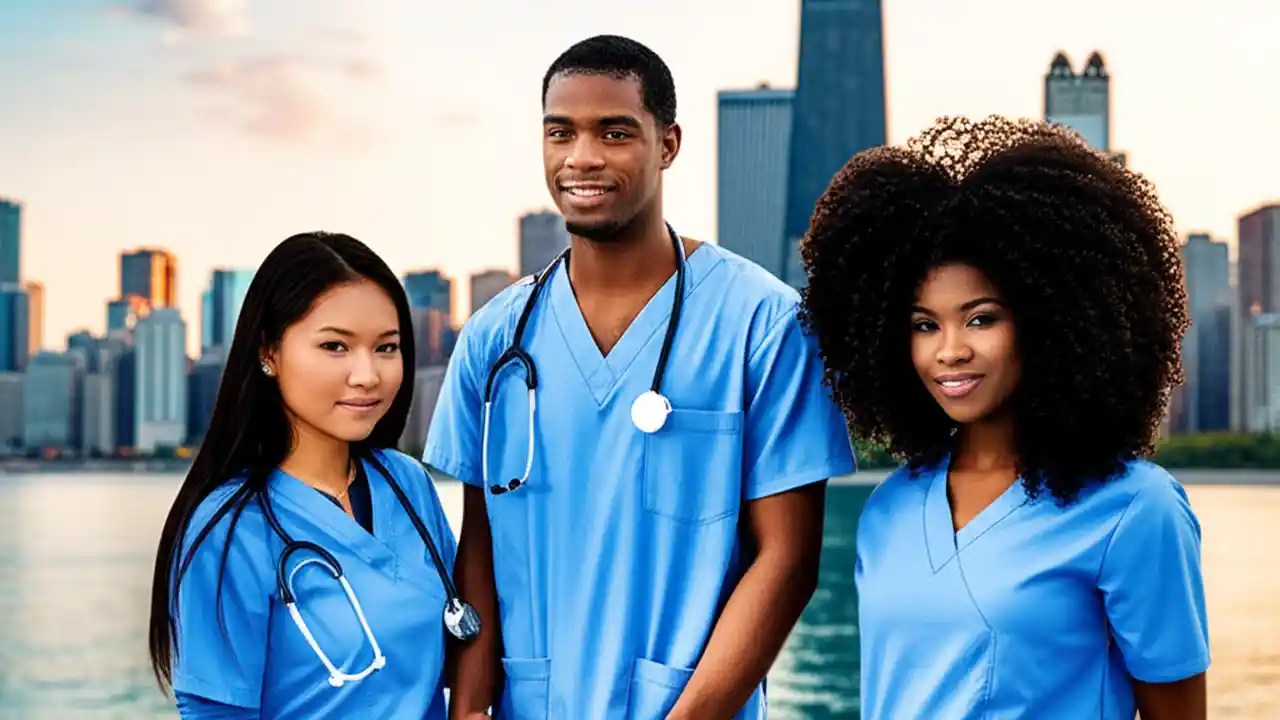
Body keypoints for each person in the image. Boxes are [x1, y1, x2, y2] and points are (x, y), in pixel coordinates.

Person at [425, 35, 856, 719]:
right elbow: (479, 552)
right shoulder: (493, 338)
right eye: (559, 132)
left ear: (668, 144)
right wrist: (470, 710)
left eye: (615, 132)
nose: (582, 157)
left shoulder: (763, 325)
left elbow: (787, 561)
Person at [798, 115, 1210, 718]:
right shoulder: (888, 510)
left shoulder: (1135, 509)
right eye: (923, 325)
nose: (950, 350)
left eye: (981, 318)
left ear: (1053, 319)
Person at [148, 232, 467, 718]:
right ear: (269, 353)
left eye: (386, 348)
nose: (368, 375)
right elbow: (216, 710)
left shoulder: (408, 486)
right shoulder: (231, 528)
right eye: (336, 346)